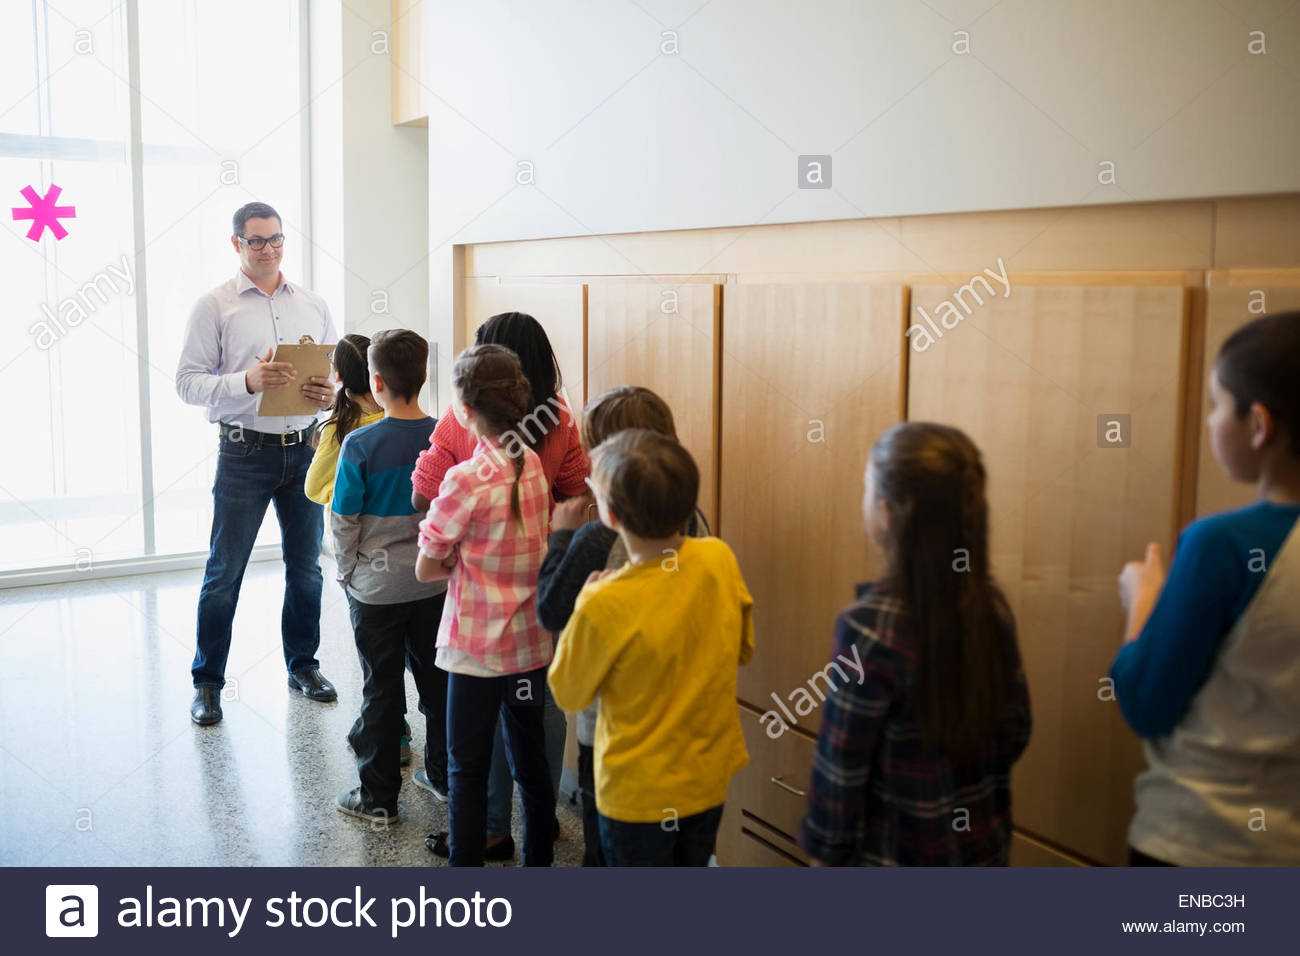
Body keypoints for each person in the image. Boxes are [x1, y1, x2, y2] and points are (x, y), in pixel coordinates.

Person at [1114, 311, 1300, 866]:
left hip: (1200, 844)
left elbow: (1146, 703)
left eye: (1218, 404)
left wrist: (1143, 599)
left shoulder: (1222, 545)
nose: (1212, 419)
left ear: (1259, 424)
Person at [800, 423, 1032, 866]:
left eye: (867, 487)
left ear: (885, 512)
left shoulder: (868, 629)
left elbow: (840, 774)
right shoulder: (993, 611)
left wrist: (822, 856)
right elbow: (1016, 732)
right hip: (982, 854)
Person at [414, 311, 586, 861]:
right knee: (533, 749)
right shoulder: (542, 449)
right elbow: (577, 497)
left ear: (467, 405)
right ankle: (539, 848)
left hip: (475, 644)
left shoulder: (464, 461)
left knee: (468, 759)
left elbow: (426, 531)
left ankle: (480, 845)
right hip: (533, 631)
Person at [549, 430, 753, 866]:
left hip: (635, 794)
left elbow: (567, 692)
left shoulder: (603, 601)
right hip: (707, 777)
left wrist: (585, 601)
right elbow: (742, 647)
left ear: (611, 515)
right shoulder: (719, 558)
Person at [176, 201, 338, 726]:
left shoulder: (312, 303)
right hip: (243, 451)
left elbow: (334, 382)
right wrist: (246, 381)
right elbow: (187, 383)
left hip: (306, 449)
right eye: (256, 242)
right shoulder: (214, 306)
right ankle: (208, 684)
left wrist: (327, 394)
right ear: (236, 245)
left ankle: (303, 666)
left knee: (307, 569)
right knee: (224, 573)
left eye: (276, 240)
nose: (268, 250)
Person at [536, 386, 709, 866]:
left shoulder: (597, 538)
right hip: (689, 724)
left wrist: (560, 537)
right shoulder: (694, 522)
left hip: (615, 737)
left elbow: (551, 610)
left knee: (607, 847)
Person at [331, 329, 448, 825]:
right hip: (434, 585)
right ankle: (443, 777)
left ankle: (378, 799)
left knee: (381, 690)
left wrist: (347, 573)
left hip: (376, 592)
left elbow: (343, 519)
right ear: (424, 376)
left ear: (375, 382)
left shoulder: (359, 443)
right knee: (439, 683)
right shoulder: (445, 435)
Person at [305, 333, 383, 507]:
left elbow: (313, 488)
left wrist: (351, 496)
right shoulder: (394, 416)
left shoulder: (339, 427)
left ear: (337, 376)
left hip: (349, 522)